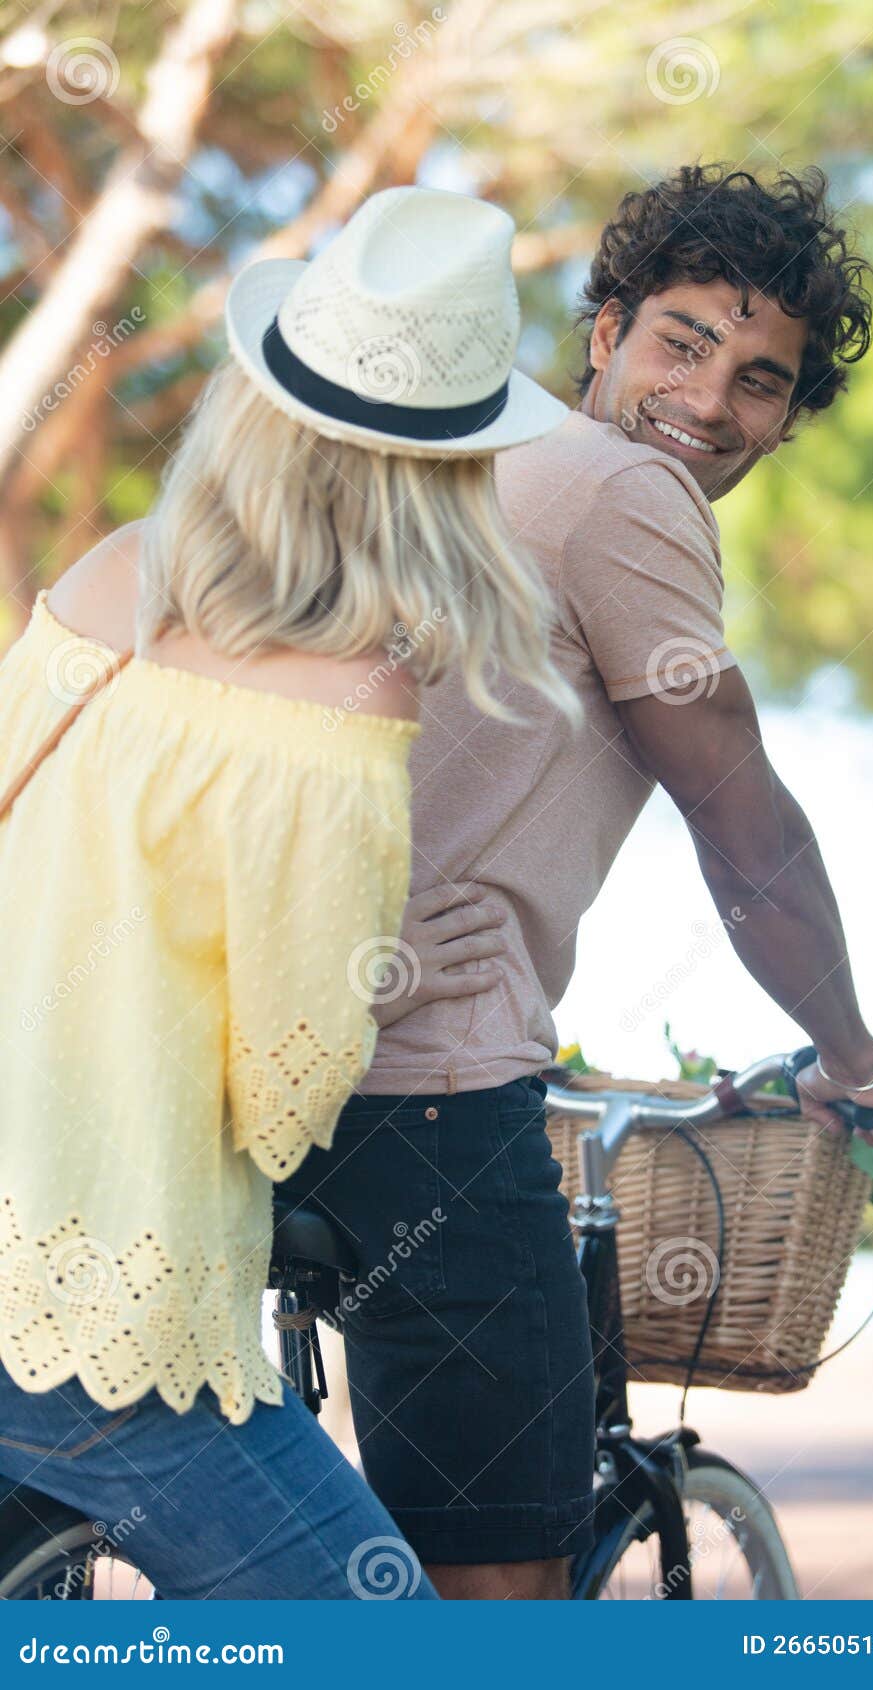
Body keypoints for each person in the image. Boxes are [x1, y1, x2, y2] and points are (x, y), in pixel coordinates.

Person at [279, 163, 873, 1601]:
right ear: (604, 330)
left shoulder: (446, 452)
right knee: (498, 1597)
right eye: (683, 342)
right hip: (424, 1096)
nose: (710, 402)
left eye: (762, 380)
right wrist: (851, 1053)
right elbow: (743, 828)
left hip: (258, 1044)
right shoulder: (623, 490)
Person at [0, 186, 575, 1600]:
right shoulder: (347, 700)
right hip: (98, 1306)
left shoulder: (99, 581)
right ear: (447, 473)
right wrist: (390, 970)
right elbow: (281, 1096)